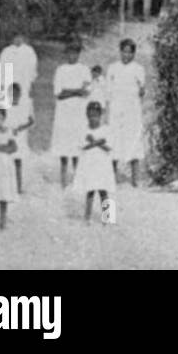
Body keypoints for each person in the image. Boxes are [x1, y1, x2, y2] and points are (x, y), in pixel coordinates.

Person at [106, 39, 146, 186]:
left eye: (130, 52)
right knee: (114, 141)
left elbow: (142, 90)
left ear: (134, 54)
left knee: (133, 141)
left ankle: (135, 180)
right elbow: (108, 91)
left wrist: (142, 91)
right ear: (120, 51)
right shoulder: (112, 68)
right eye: (124, 51)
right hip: (117, 109)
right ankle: (112, 177)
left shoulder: (138, 69)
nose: (126, 55)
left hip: (132, 110)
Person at [51, 42, 91, 187]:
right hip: (63, 112)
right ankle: (63, 180)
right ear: (66, 54)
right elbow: (59, 93)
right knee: (63, 146)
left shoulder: (84, 70)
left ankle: (76, 179)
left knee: (77, 146)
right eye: (70, 53)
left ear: (79, 54)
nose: (72, 56)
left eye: (75, 53)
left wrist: (71, 91)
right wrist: (76, 91)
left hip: (78, 113)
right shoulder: (61, 70)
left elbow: (86, 92)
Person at [74, 102, 115, 224]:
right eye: (90, 116)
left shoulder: (106, 129)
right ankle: (87, 217)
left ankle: (108, 218)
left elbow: (108, 147)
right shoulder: (84, 130)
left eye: (96, 116)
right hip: (90, 164)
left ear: (100, 115)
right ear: (87, 116)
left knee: (104, 191)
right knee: (90, 191)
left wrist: (94, 141)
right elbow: (82, 147)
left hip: (102, 165)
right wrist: (98, 142)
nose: (93, 119)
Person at [7, 83, 35, 195]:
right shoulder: (6, 107)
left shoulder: (24, 107)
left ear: (20, 94)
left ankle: (18, 188)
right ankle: (8, 187)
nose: (14, 96)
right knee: (7, 163)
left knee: (18, 163)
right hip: (8, 137)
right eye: (12, 94)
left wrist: (20, 127)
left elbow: (31, 121)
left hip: (20, 137)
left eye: (16, 93)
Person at [0, 31, 39, 101]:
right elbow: (1, 67)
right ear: (12, 39)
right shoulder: (6, 51)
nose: (18, 39)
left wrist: (32, 80)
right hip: (9, 79)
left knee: (23, 98)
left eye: (19, 37)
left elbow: (33, 66)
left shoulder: (29, 51)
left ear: (23, 38)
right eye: (15, 38)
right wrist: (1, 81)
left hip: (24, 79)